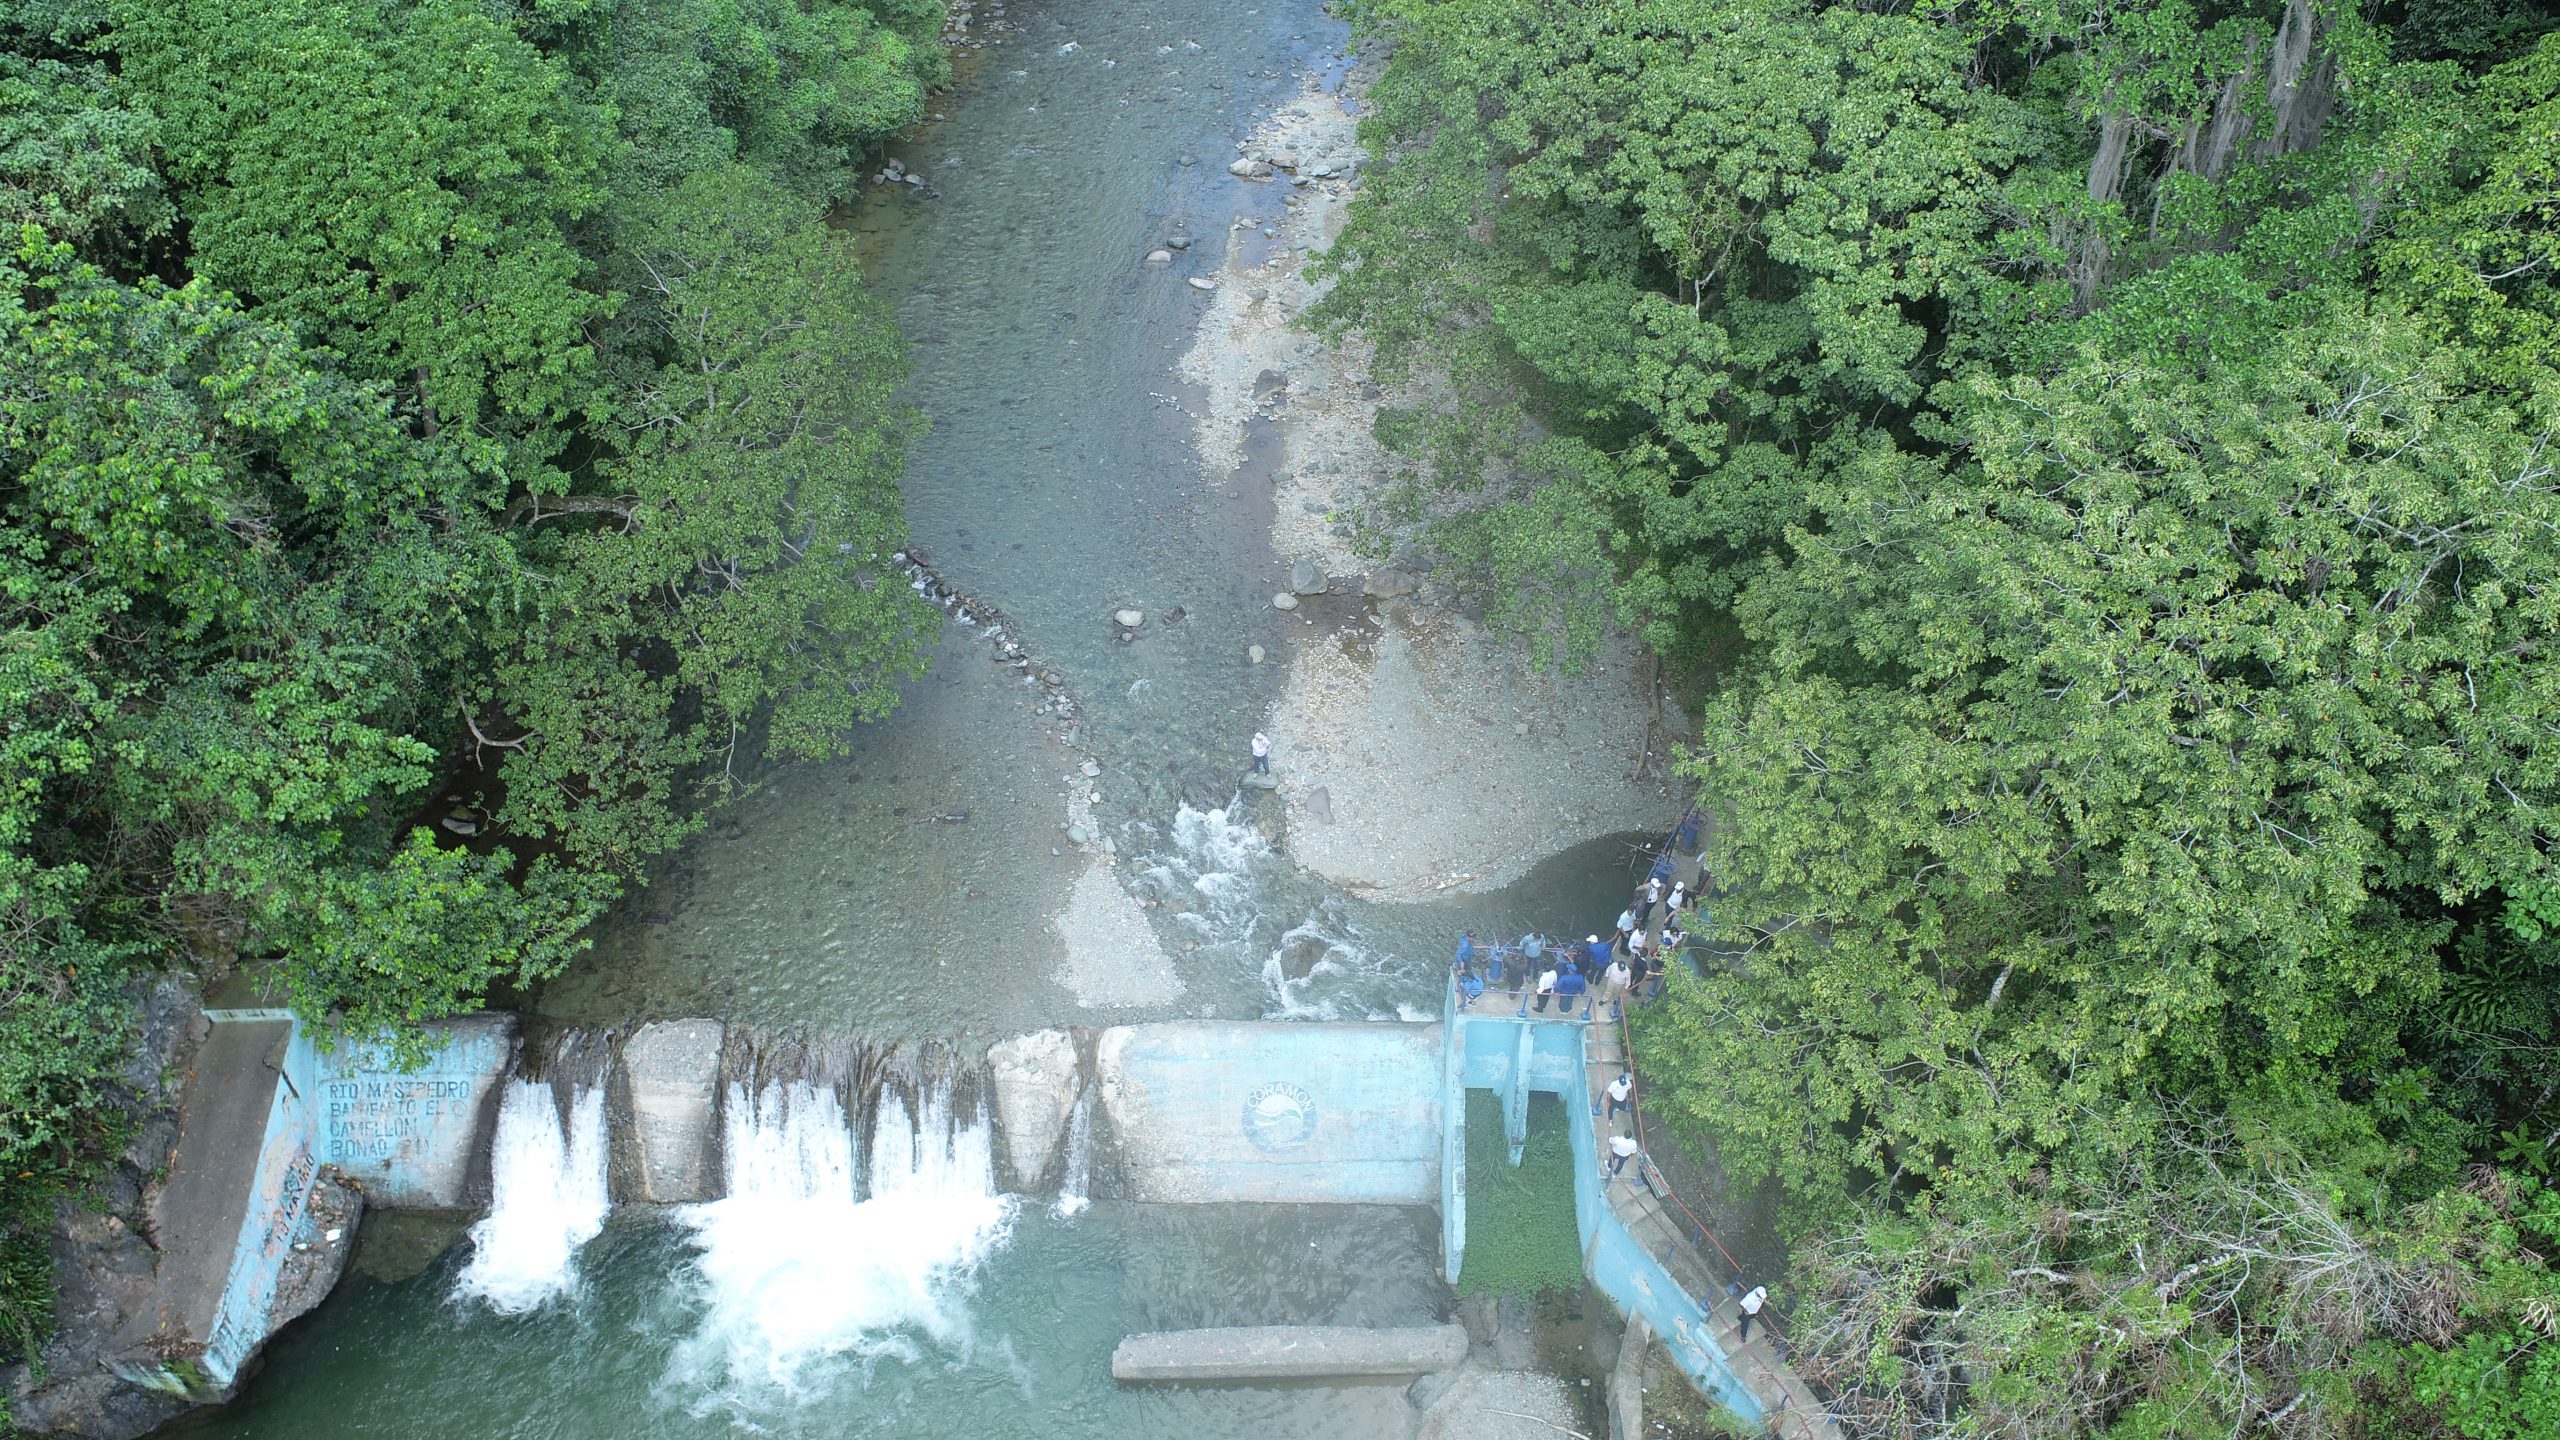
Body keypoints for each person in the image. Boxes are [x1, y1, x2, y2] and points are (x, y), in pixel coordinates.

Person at [1600, 955, 1632, 1020]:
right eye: (1620, 968)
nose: (1621, 970)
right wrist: (1607, 975)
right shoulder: (1613, 965)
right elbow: (1608, 969)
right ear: (1618, 966)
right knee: (1608, 991)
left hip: (1620, 984)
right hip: (1611, 981)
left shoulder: (1627, 971)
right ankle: (1604, 1000)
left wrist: (1626, 986)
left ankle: (1615, 1000)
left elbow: (1628, 979)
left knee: (1618, 993)